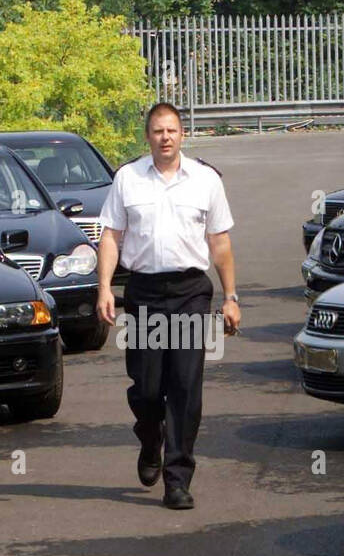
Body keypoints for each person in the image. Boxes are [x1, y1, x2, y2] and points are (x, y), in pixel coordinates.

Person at [96, 102, 241, 510]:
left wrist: (231, 297)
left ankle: (178, 479)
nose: (165, 138)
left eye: (172, 131)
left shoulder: (206, 180)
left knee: (184, 384)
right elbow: (111, 236)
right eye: (158, 131)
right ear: (148, 136)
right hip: (144, 293)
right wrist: (104, 287)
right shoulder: (127, 178)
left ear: (182, 135)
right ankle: (150, 438)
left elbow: (220, 243)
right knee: (145, 387)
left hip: (191, 293)